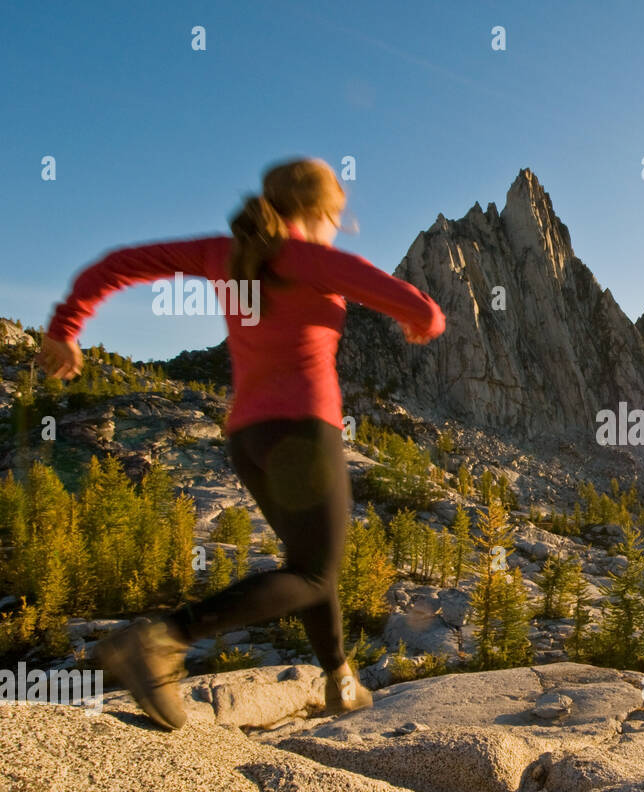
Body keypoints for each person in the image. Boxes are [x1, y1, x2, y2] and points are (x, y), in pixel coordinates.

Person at [37, 157, 447, 730]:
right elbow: (424, 309)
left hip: (248, 437)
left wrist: (65, 328)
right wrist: (421, 323)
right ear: (325, 211)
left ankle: (339, 680)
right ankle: (163, 639)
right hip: (305, 431)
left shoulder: (221, 252)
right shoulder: (314, 258)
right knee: (314, 574)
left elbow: (116, 265)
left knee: (307, 564)